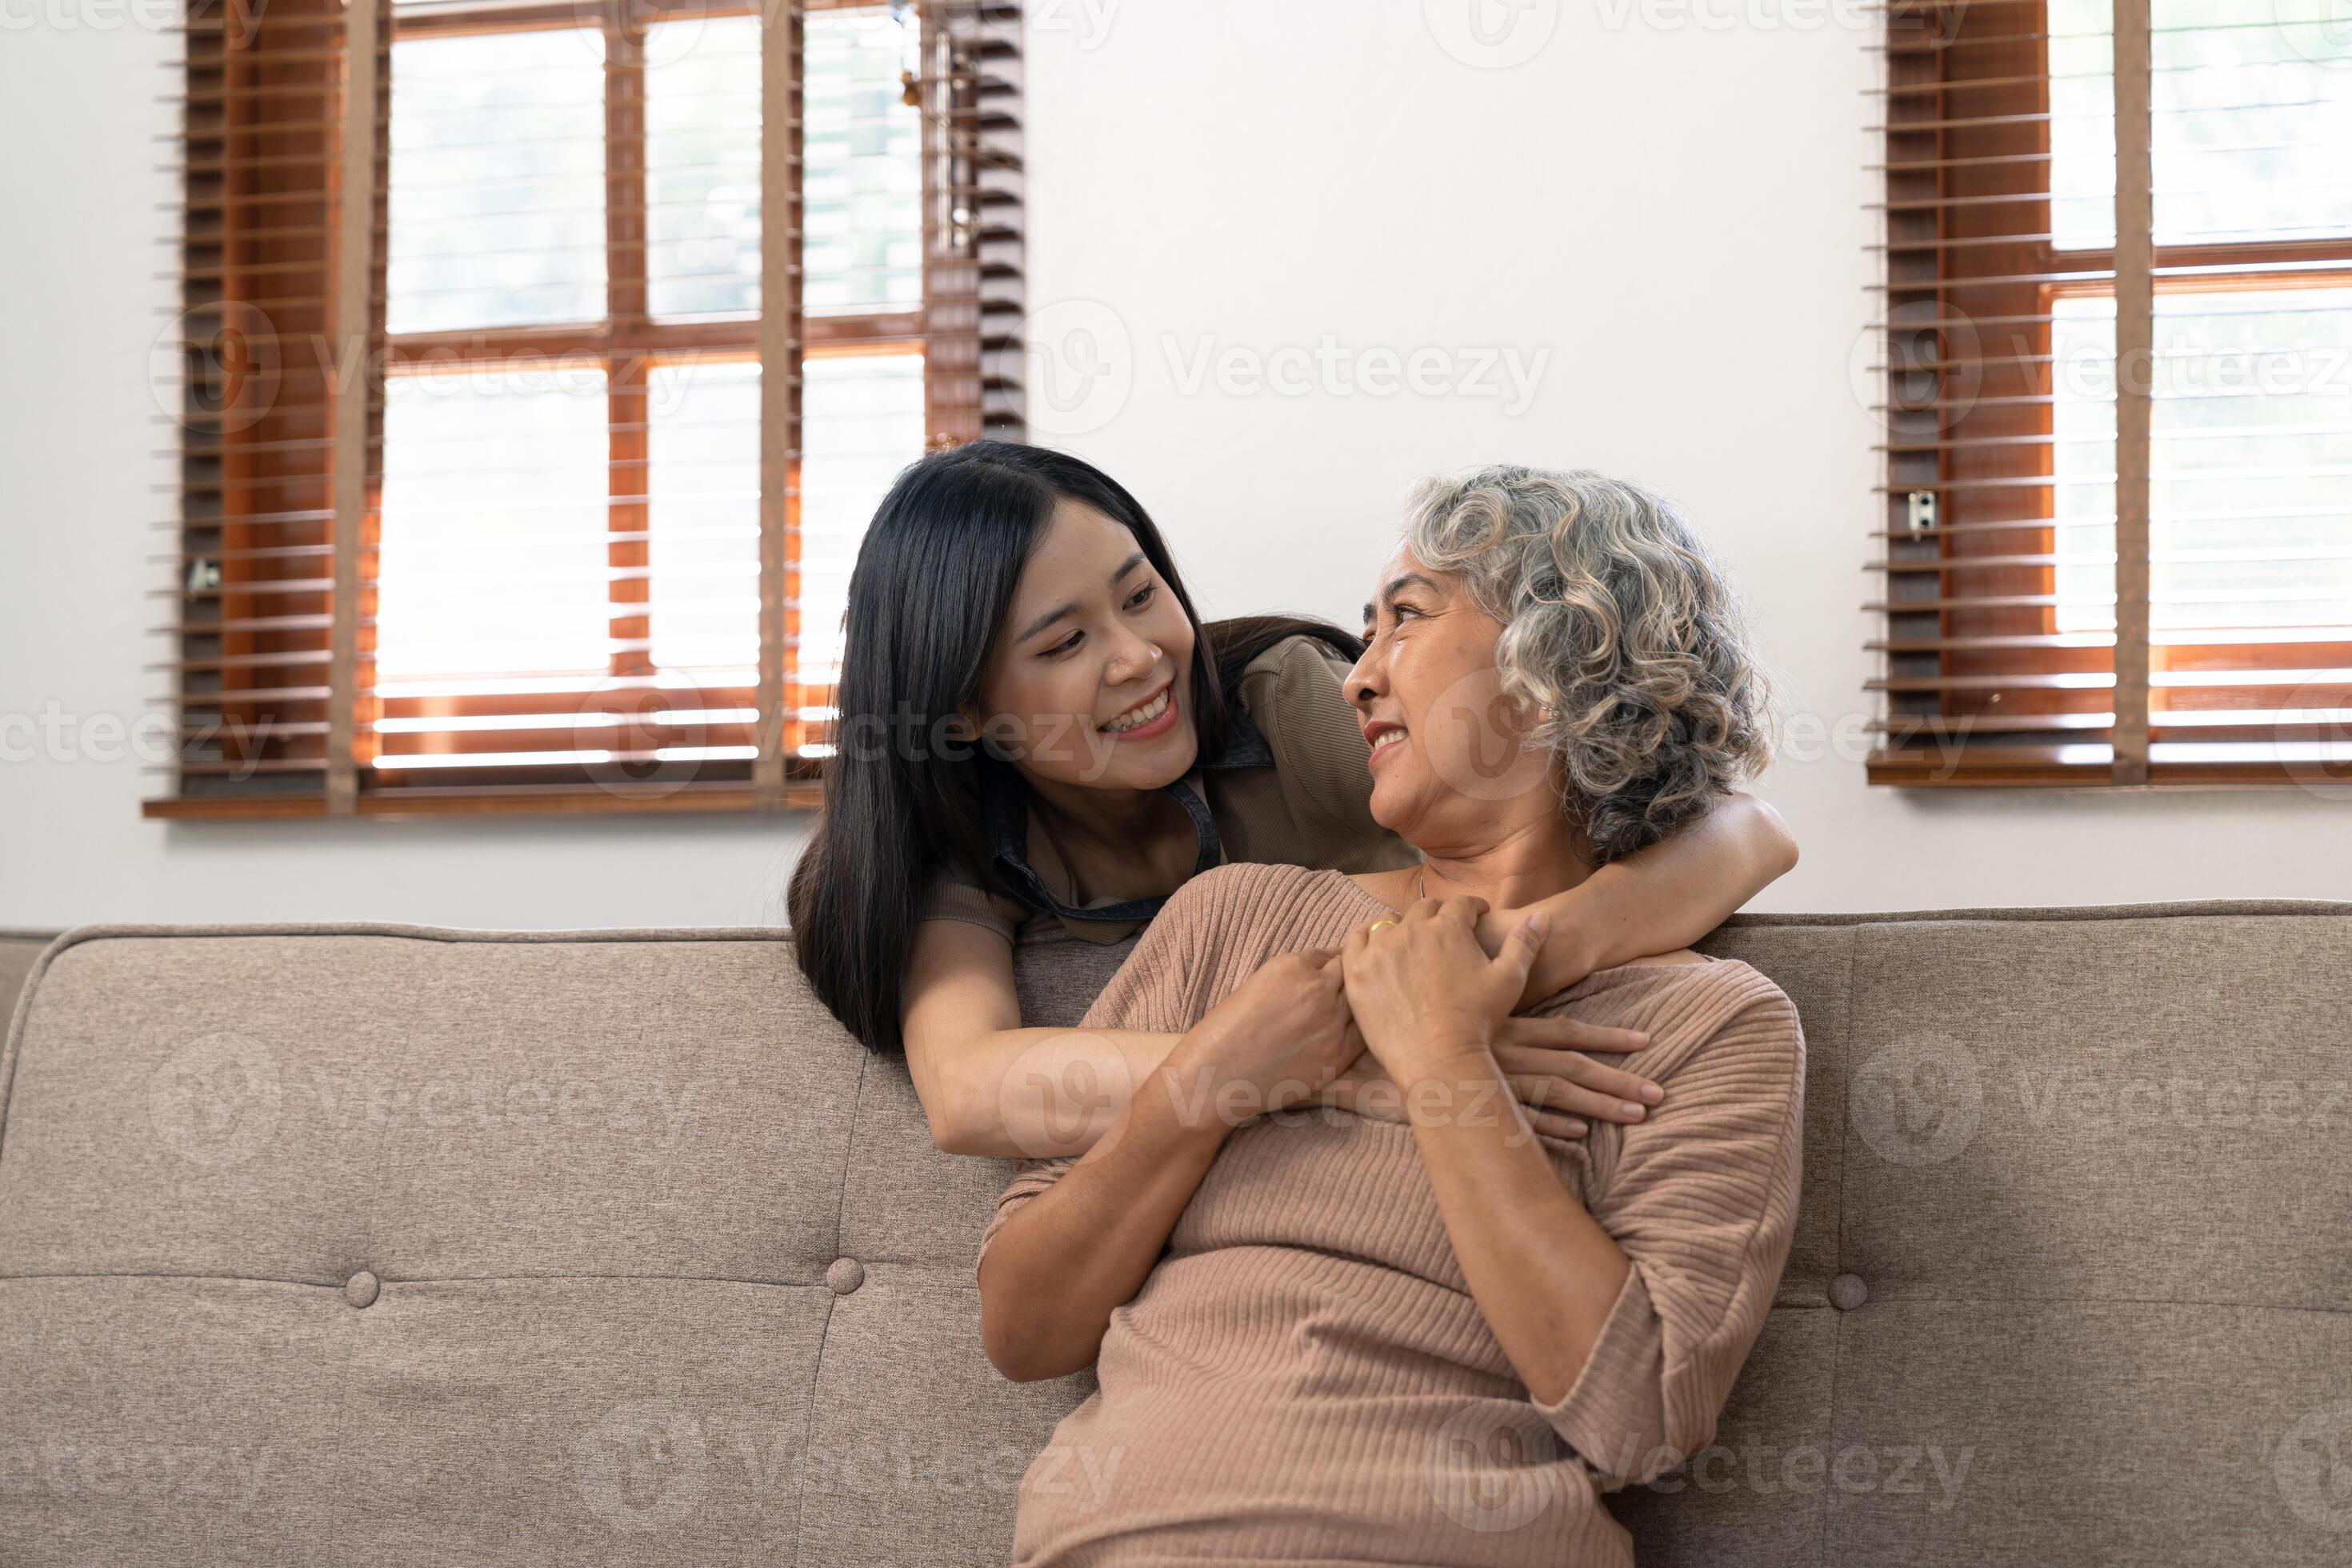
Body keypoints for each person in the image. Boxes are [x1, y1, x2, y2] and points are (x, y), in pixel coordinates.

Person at [975, 465, 1806, 1566]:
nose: (1355, 679)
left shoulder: (1711, 1025)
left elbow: (1640, 1418)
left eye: (1403, 622)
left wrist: (1446, 1058)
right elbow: (1024, 1330)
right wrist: (1209, 1076)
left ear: (1554, 662)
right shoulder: (1233, 923)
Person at [788, 442, 1797, 1160]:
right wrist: (1360, 1064)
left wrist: (1509, 971)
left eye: (1142, 595)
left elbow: (1748, 831)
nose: (1140, 657)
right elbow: (968, 1093)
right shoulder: (955, 843)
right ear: (964, 711)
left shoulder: (1286, 702)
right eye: (1064, 644)